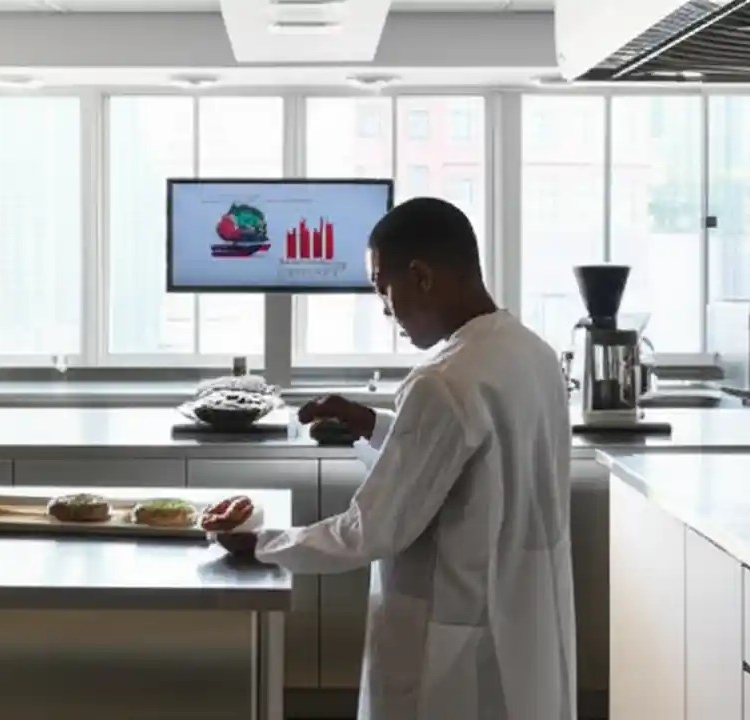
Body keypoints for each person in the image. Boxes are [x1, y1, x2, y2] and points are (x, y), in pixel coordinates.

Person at [202, 197, 576, 720]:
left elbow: (370, 530)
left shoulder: (442, 381)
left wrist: (263, 543)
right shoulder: (531, 353)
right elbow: (475, 460)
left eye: (382, 287)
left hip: (450, 645)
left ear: (420, 276)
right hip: (527, 622)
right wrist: (374, 423)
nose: (385, 308)